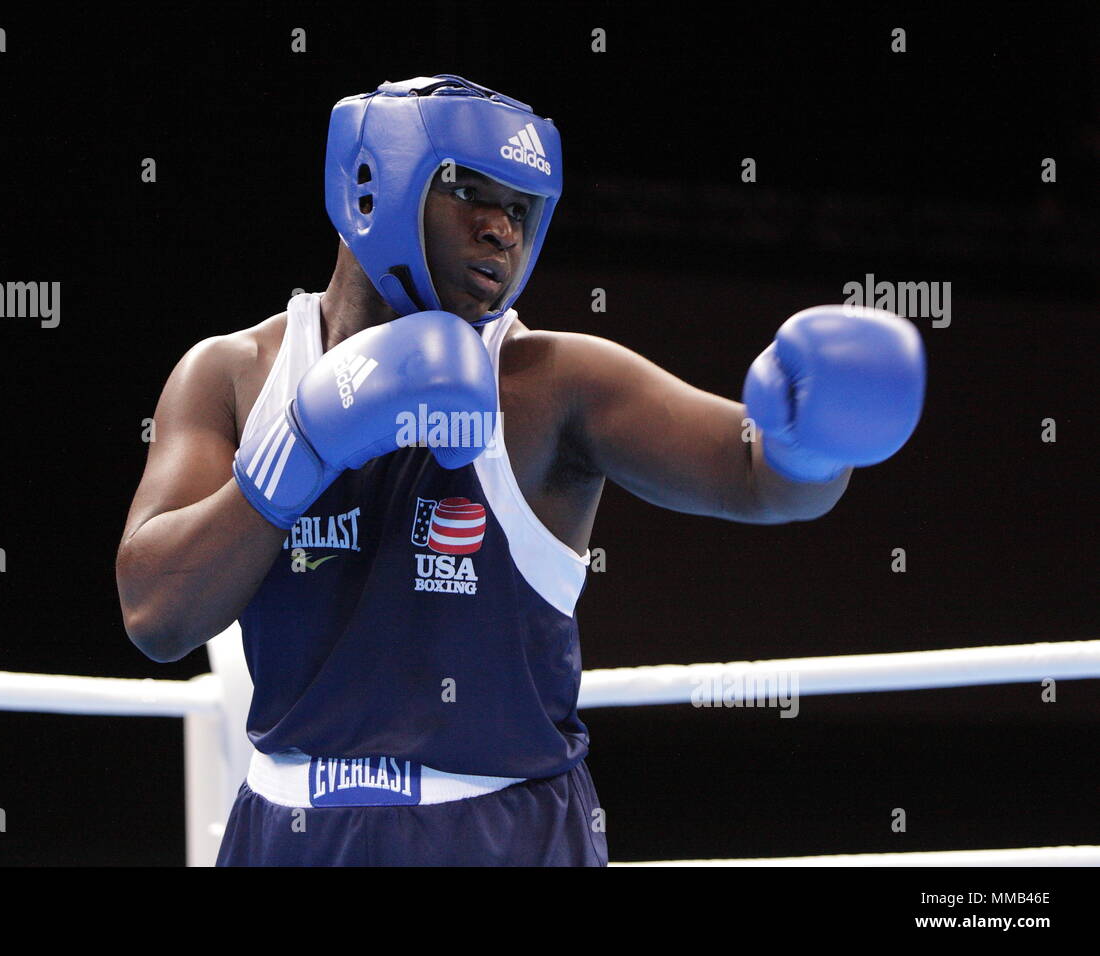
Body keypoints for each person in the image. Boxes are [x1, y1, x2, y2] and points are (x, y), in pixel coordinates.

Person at [114, 75, 926, 866]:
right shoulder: (235, 376)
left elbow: (757, 477)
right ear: (370, 184)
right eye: (470, 191)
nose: (503, 230)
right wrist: (304, 440)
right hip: (287, 827)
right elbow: (156, 614)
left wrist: (816, 442)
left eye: (523, 209)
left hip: (504, 832)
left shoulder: (555, 385)